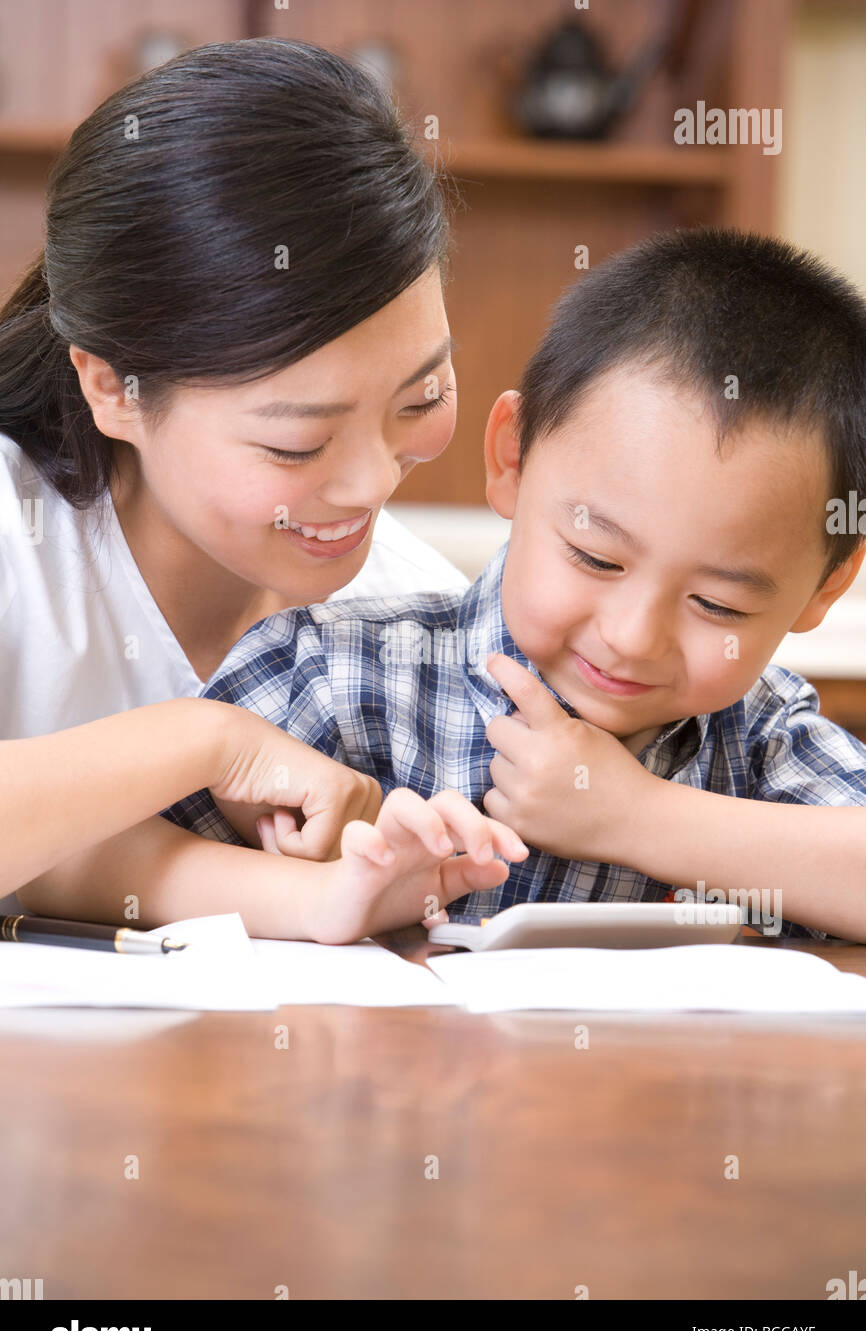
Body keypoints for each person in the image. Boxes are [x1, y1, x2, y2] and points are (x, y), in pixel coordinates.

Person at [103, 226, 866, 943]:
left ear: (825, 588)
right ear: (512, 459)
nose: (633, 636)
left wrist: (639, 819)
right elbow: (88, 861)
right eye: (596, 557)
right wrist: (311, 890)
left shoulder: (761, 741)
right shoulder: (338, 679)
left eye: (717, 605)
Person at [0, 37, 494, 914]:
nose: (371, 485)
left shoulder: (409, 607)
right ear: (113, 387)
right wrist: (208, 741)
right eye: (298, 445)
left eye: (420, 400)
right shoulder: (18, 538)